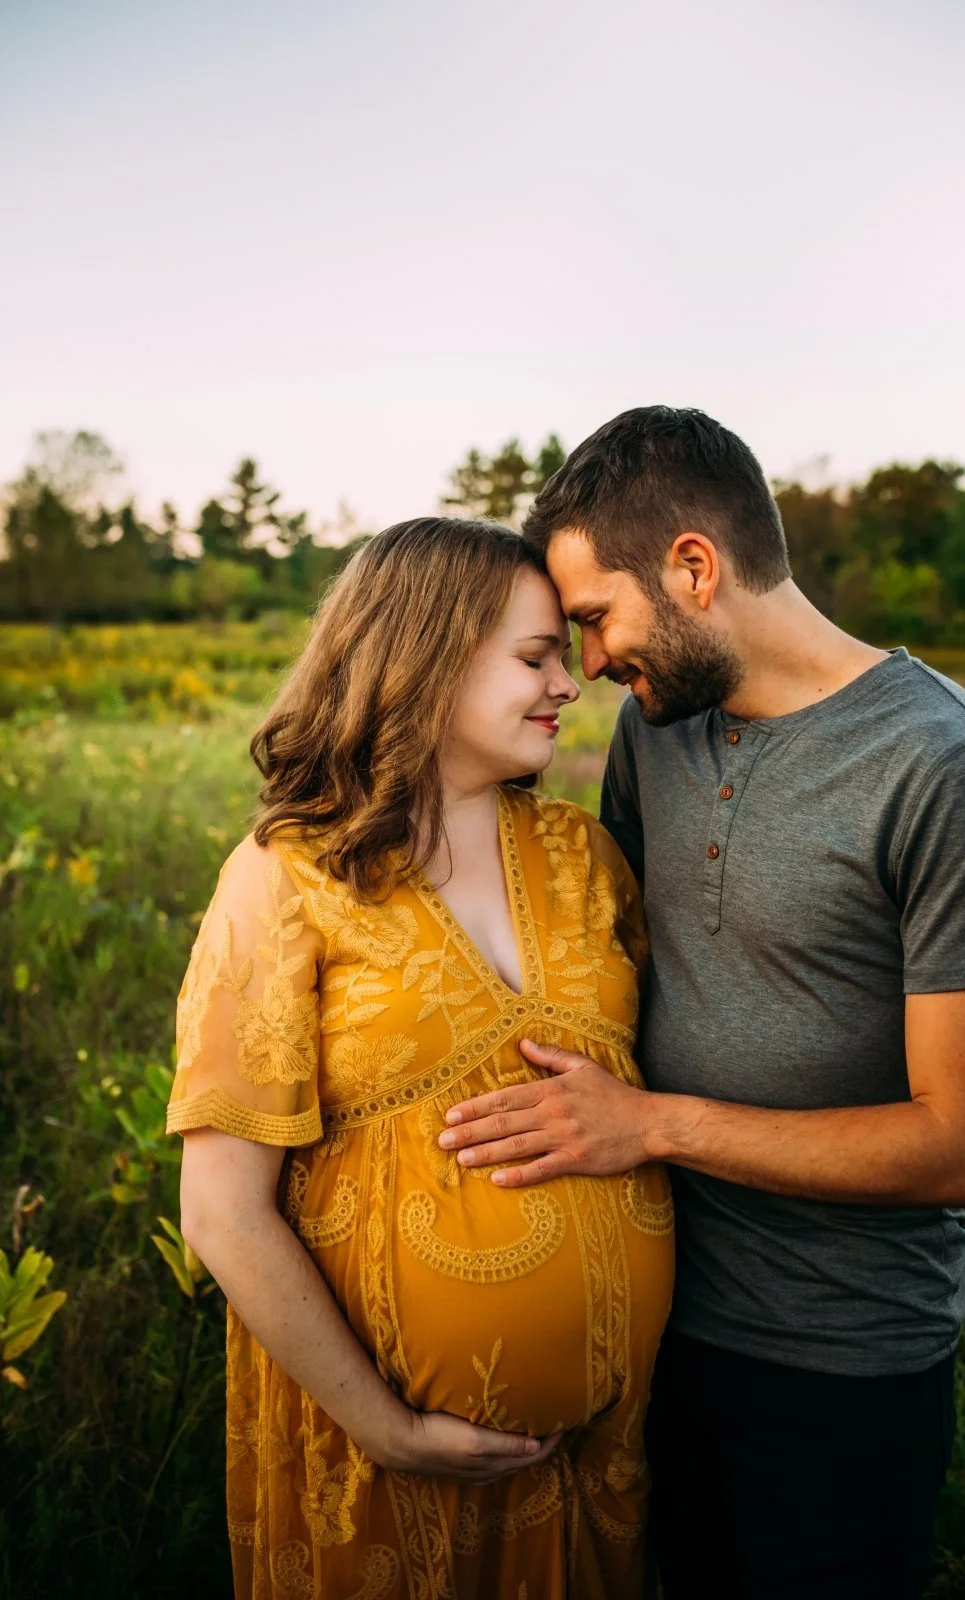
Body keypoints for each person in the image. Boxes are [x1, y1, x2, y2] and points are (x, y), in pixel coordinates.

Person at [439, 407, 965, 1599]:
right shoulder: (658, 735)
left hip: (840, 1366)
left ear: (694, 568)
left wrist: (652, 1122)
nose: (596, 662)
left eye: (599, 618)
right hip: (658, 1331)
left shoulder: (941, 766)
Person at [168, 517, 674, 1600]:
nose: (568, 682)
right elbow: (221, 1209)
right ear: (426, 653)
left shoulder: (585, 857)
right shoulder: (287, 877)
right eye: (534, 655)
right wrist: (387, 1425)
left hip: (599, 1462)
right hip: (385, 1470)